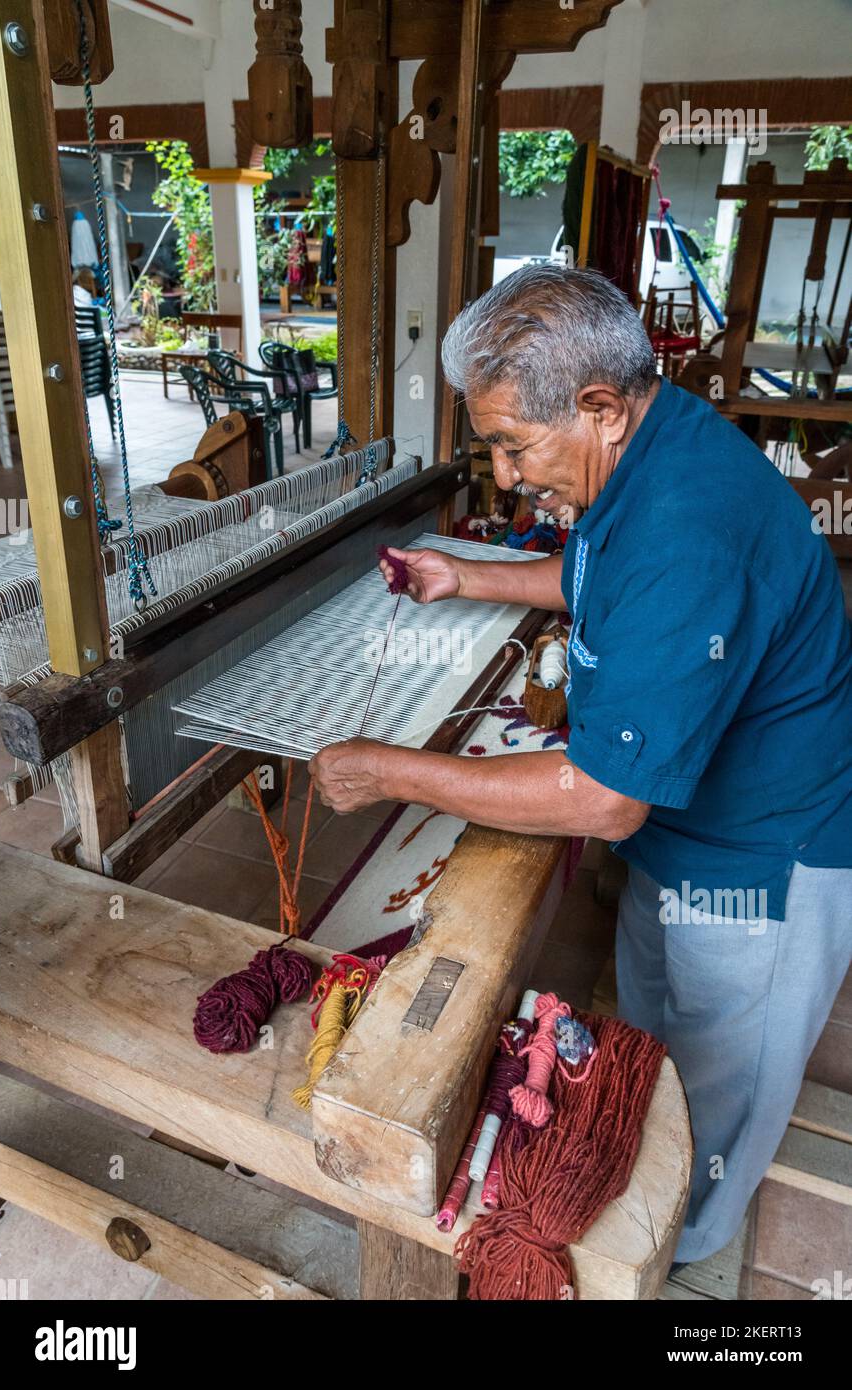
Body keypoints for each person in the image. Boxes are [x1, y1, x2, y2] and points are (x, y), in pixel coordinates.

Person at [309, 264, 852, 1264]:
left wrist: (392, 771)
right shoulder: (649, 444)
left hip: (759, 866)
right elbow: (600, 571)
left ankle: (671, 1258)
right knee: (649, 1047)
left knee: (711, 1104)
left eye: (514, 445)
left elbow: (604, 799)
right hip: (691, 837)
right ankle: (631, 1174)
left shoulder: (691, 527)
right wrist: (459, 574)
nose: (507, 476)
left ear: (600, 407)